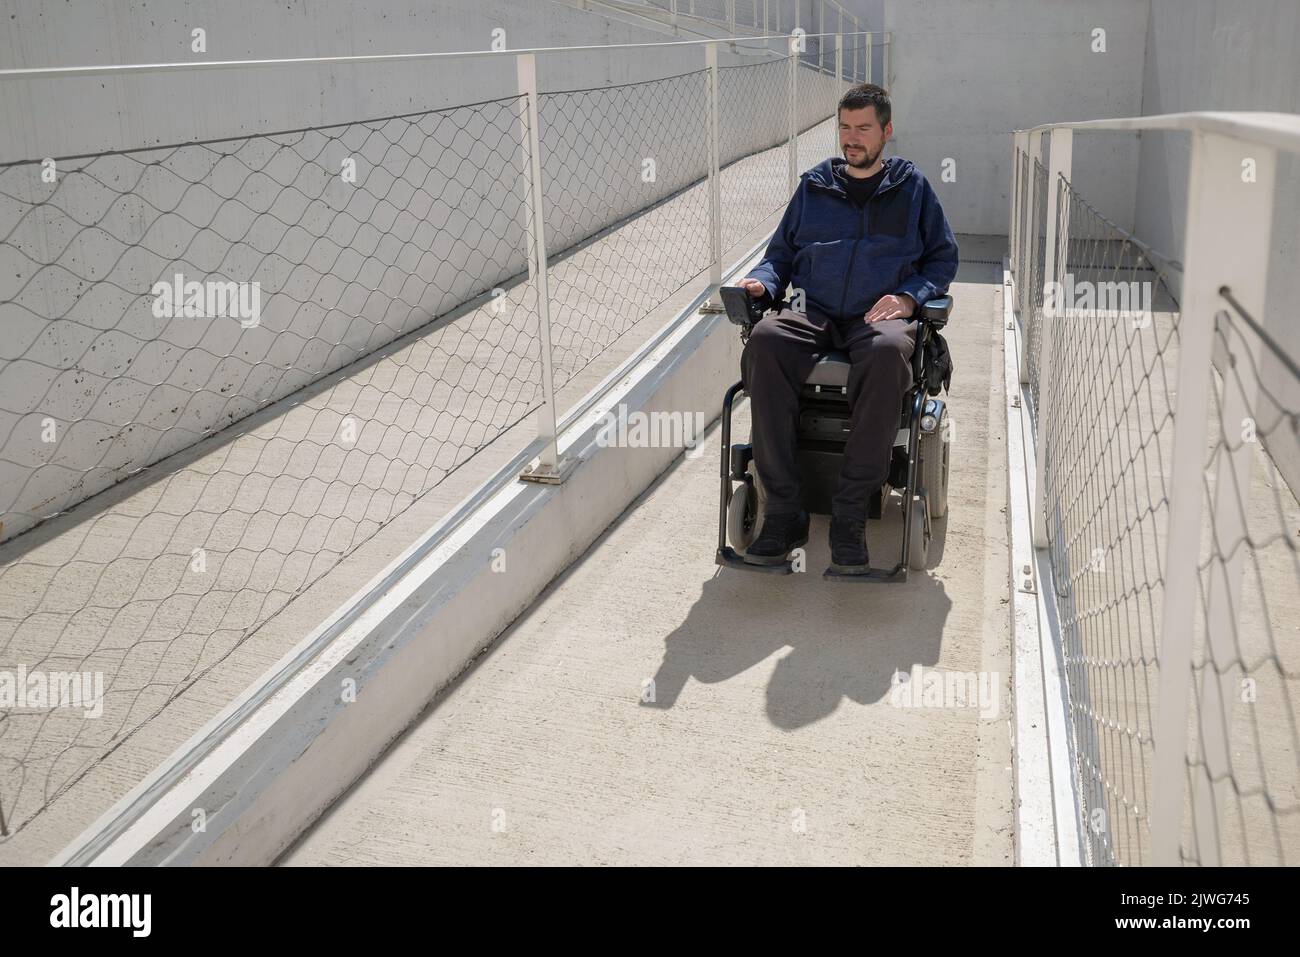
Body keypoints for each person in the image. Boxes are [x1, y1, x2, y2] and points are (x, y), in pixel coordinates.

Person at [737, 82, 958, 573]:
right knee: (767, 341)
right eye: (845, 128)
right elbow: (781, 257)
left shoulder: (913, 190)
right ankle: (785, 511)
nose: (852, 138)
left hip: (877, 315)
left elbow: (943, 259)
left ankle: (850, 514)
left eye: (863, 128)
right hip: (813, 308)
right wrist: (763, 284)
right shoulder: (815, 186)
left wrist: (906, 298)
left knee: (885, 354)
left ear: (886, 131)